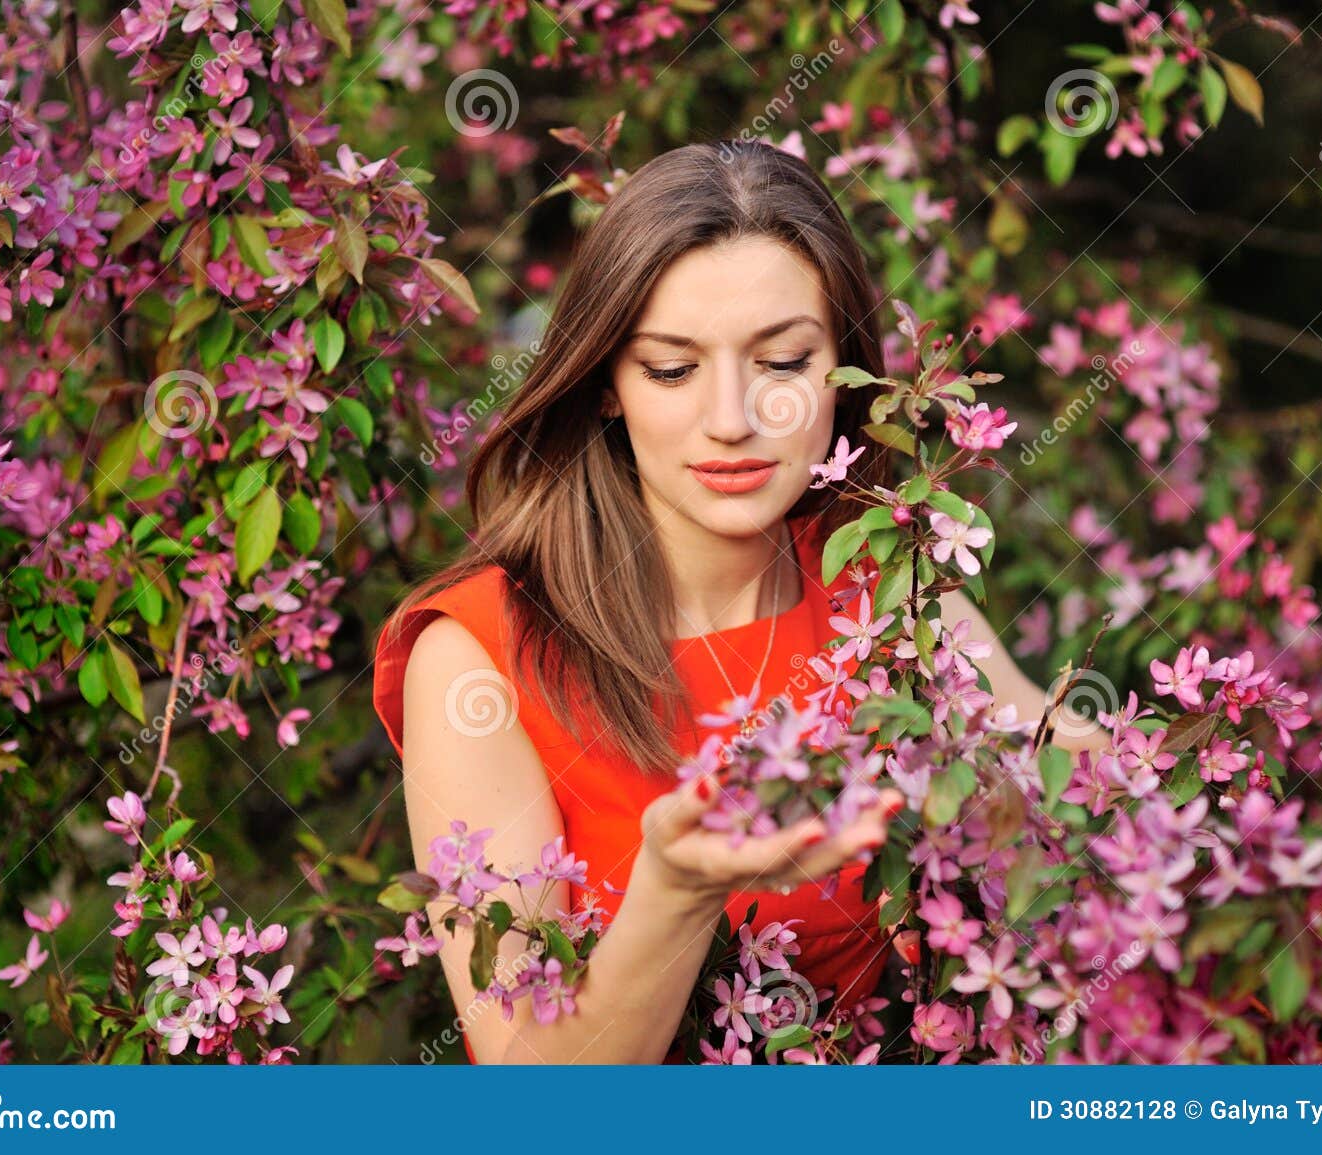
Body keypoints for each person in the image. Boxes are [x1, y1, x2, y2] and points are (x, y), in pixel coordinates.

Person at [372, 140, 1085, 1064]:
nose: (732, 418)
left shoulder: (884, 581)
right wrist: (675, 892)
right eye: (670, 369)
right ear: (604, 388)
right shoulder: (476, 657)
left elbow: (1055, 774)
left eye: (784, 361)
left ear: (845, 371)